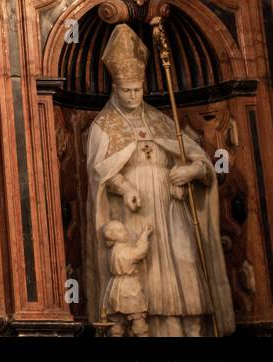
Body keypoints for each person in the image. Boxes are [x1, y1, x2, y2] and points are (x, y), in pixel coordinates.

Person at [84, 23, 234, 335]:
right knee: (145, 274)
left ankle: (191, 329)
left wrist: (190, 171)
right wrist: (124, 188)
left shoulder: (160, 121)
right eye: (127, 90)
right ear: (115, 89)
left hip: (172, 210)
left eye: (138, 89)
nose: (133, 96)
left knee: (186, 266)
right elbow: (101, 171)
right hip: (134, 214)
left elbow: (201, 161)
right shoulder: (104, 124)